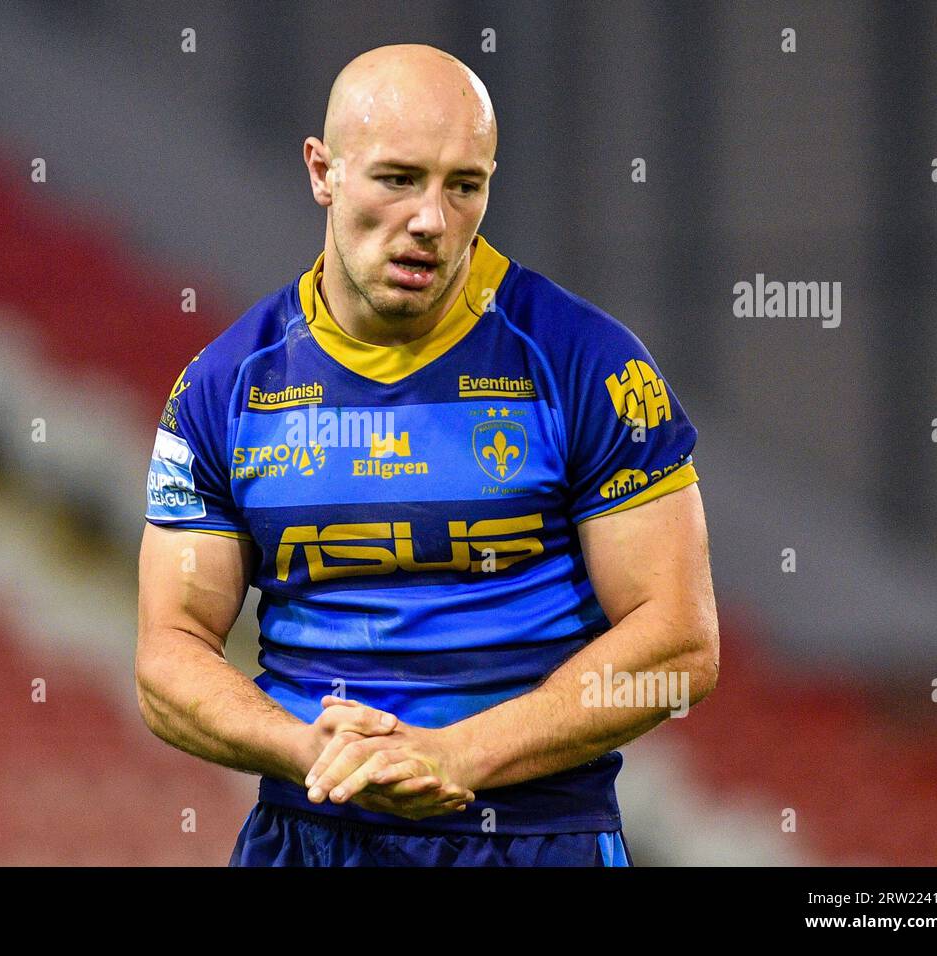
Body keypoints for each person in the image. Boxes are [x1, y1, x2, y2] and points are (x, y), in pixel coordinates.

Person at [136, 43, 719, 866]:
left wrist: (460, 756)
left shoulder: (589, 364)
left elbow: (681, 642)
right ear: (322, 170)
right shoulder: (223, 386)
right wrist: (307, 749)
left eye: (465, 186)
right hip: (310, 836)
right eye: (398, 178)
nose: (431, 221)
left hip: (533, 840)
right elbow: (169, 653)